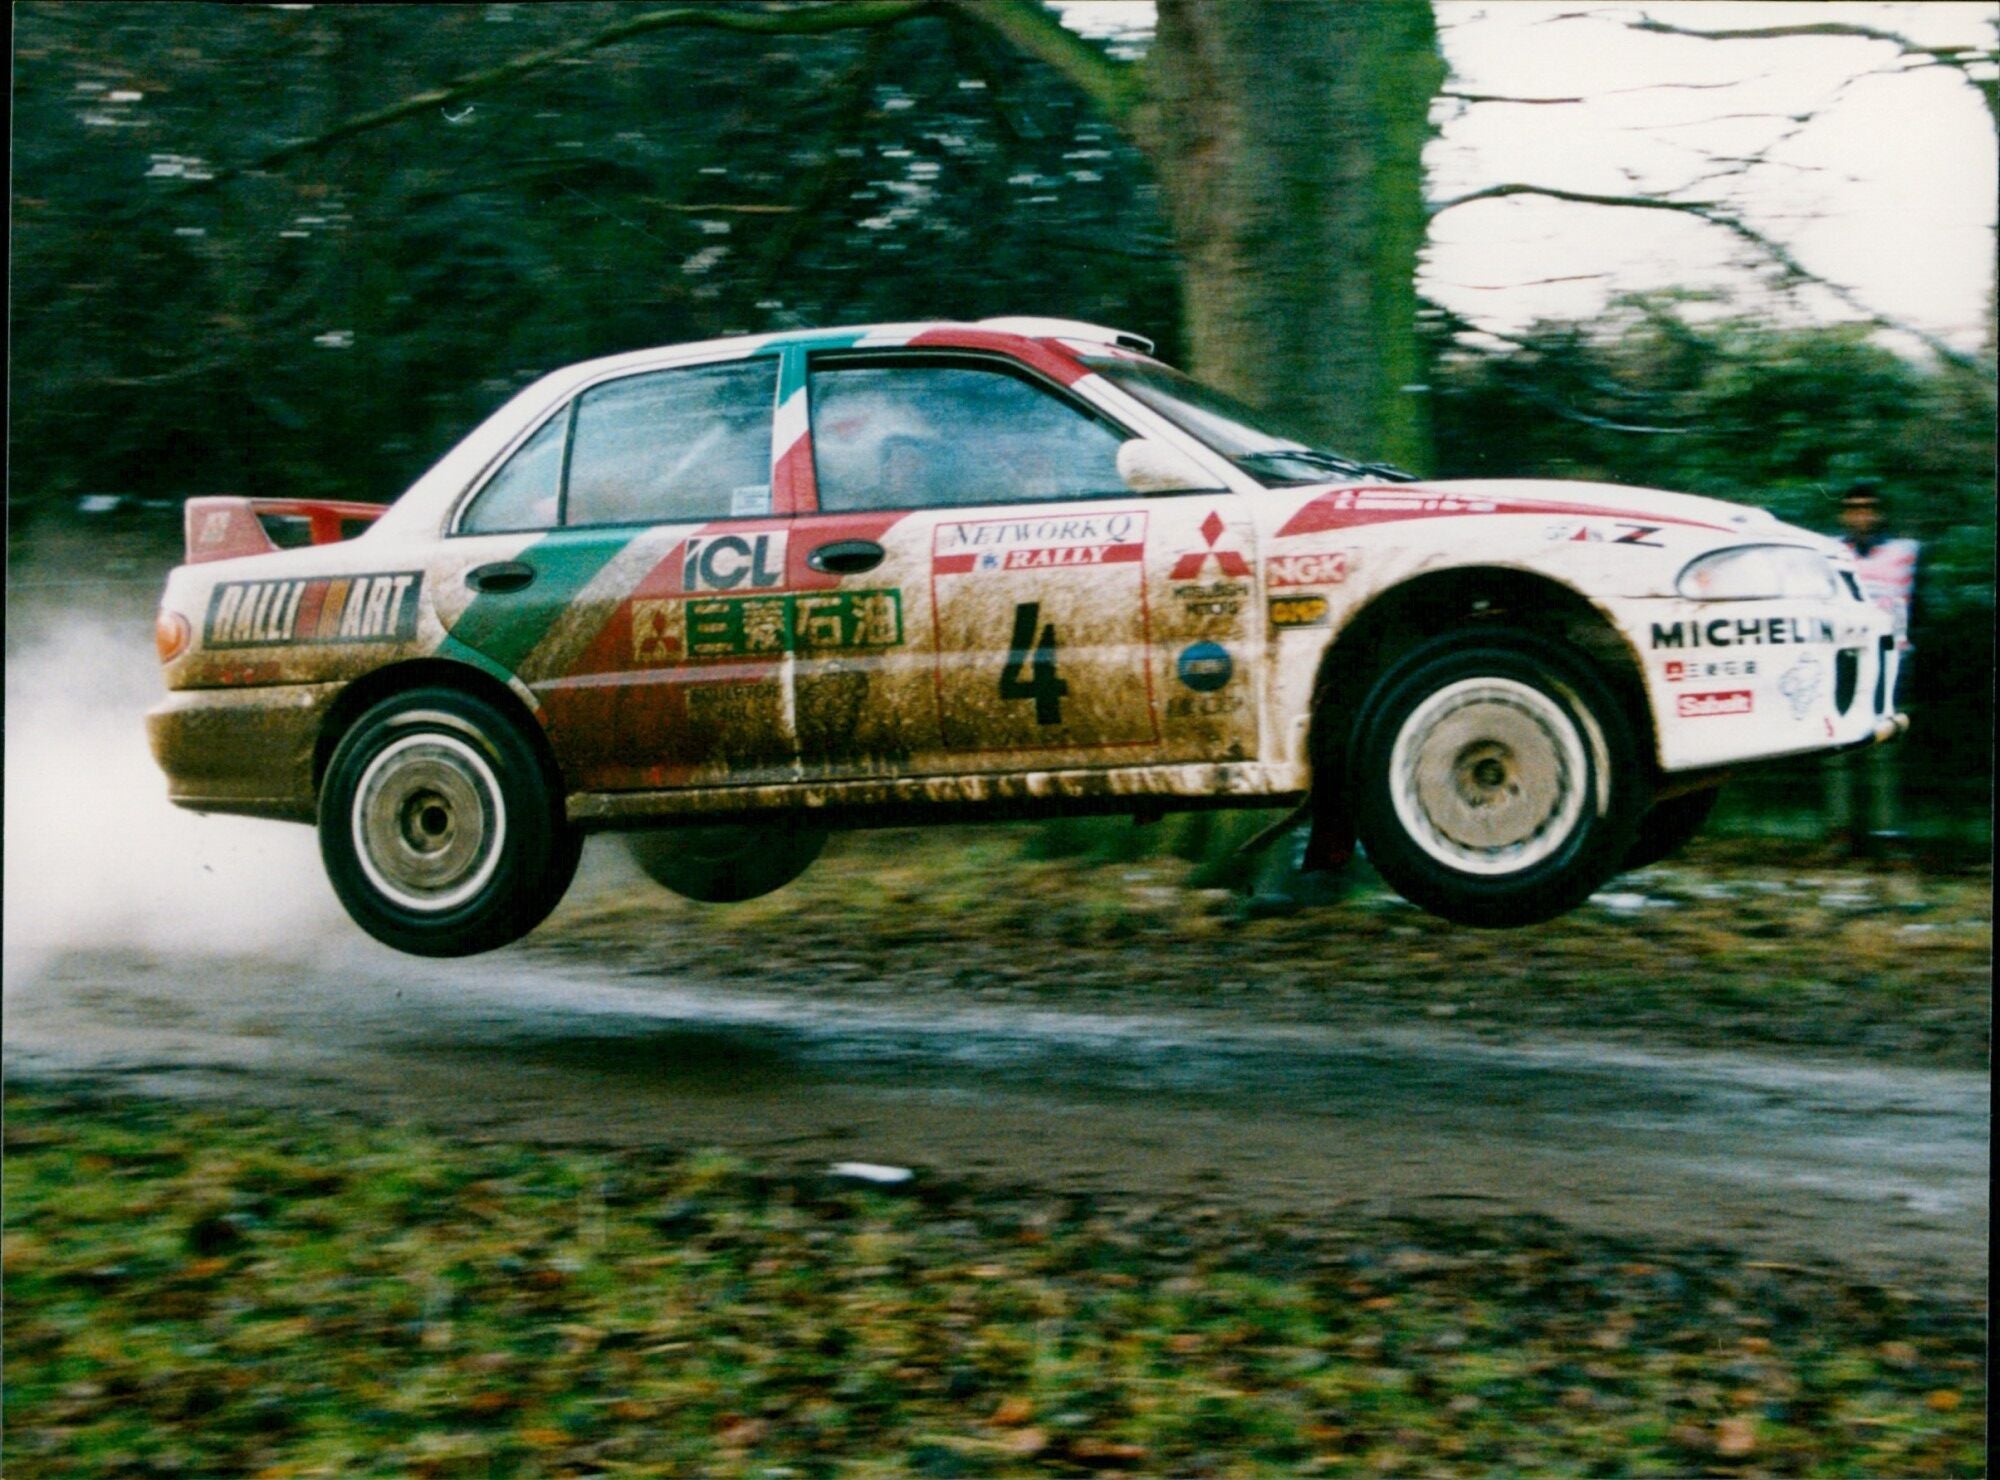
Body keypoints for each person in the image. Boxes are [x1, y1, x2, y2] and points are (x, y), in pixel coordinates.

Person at [1825, 480, 1920, 856]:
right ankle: (1840, 833)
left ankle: (1886, 833)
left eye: (1867, 508)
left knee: (1884, 749)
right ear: (1843, 514)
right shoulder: (1829, 553)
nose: (1861, 516)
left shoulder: (1903, 554)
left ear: (1879, 513)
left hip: (1888, 664)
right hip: (1841, 663)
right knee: (1838, 749)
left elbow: (1917, 607)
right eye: (1853, 509)